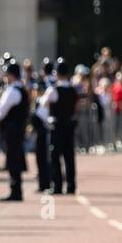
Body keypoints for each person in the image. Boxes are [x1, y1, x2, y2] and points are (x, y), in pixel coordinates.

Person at [0, 60, 28, 201]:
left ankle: (15, 190)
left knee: (12, 160)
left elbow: (1, 108)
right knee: (15, 159)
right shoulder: (21, 89)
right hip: (18, 129)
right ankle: (16, 189)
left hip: (11, 130)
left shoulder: (12, 90)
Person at [44, 57, 79, 194]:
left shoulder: (53, 90)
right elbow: (75, 106)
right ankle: (71, 185)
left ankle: (57, 185)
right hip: (69, 125)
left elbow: (44, 103)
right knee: (69, 156)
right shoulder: (73, 90)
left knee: (55, 156)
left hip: (57, 125)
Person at [30, 60, 53, 193]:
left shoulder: (43, 84)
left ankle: (44, 183)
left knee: (42, 156)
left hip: (43, 124)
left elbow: (40, 108)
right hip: (49, 124)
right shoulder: (54, 83)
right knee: (50, 156)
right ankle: (49, 180)